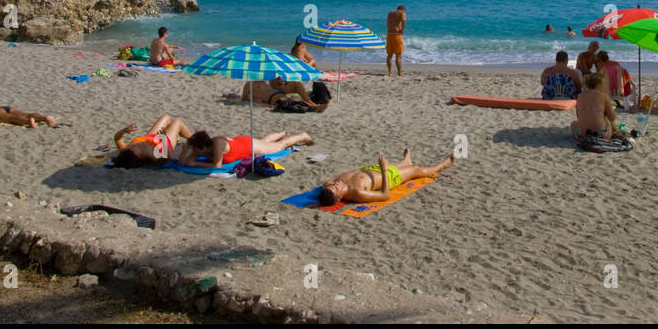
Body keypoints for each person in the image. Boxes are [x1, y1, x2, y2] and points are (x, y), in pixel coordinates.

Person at [317, 147, 453, 206]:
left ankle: (405, 162)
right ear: (339, 198)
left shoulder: (330, 185)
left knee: (399, 165)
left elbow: (325, 186)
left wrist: (328, 188)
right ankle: (441, 166)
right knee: (415, 169)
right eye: (336, 189)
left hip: (369, 170)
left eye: (332, 186)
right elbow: (384, 195)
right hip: (387, 176)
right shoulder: (356, 192)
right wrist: (383, 169)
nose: (335, 184)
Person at [176, 129, 314, 168]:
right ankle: (282, 133)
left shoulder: (218, 144)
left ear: (201, 147)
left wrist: (195, 163)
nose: (193, 152)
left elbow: (217, 166)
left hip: (248, 146)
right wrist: (185, 151)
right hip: (241, 143)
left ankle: (303, 136)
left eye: (194, 149)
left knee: (280, 146)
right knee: (264, 141)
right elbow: (183, 162)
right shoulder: (203, 148)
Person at [112, 114, 193, 168]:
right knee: (177, 121)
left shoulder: (126, 151)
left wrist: (123, 131)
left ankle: (176, 137)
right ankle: (193, 139)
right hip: (164, 142)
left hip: (149, 137)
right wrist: (163, 137)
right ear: (138, 157)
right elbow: (167, 157)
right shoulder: (150, 155)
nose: (131, 147)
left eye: (130, 148)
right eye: (133, 150)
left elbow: (117, 138)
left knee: (166, 117)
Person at [571, 74, 626, 141]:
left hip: (584, 134)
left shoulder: (580, 96)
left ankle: (577, 136)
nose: (605, 86)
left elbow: (579, 116)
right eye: (604, 84)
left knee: (573, 123)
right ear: (599, 85)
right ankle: (613, 132)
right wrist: (610, 111)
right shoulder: (604, 96)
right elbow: (612, 118)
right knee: (606, 118)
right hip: (601, 135)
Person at [386, 5, 406, 76]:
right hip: (397, 35)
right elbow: (403, 20)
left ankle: (390, 72)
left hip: (389, 34)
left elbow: (387, 23)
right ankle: (399, 72)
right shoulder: (402, 13)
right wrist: (401, 29)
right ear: (403, 10)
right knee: (398, 55)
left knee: (389, 55)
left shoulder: (390, 13)